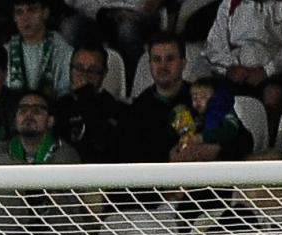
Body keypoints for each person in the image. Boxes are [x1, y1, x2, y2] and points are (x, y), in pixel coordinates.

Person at [124, 33, 192, 163]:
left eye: (170, 59)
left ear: (183, 63)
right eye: (157, 59)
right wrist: (167, 159)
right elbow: (130, 158)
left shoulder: (205, 98)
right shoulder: (137, 110)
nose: (163, 66)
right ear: (150, 64)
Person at [54, 44, 126, 163]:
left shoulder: (116, 109)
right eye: (78, 68)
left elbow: (104, 145)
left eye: (92, 70)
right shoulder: (60, 105)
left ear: (104, 73)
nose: (84, 75)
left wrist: (86, 97)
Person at [168, 76, 254, 162]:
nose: (198, 101)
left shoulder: (223, 111)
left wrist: (201, 138)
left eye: (203, 97)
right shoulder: (189, 112)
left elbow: (230, 131)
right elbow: (177, 129)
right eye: (195, 97)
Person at [0, 90, 80, 164]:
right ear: (15, 120)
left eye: (36, 111)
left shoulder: (66, 154)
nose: (28, 115)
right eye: (23, 110)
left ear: (50, 121)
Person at [4, 0, 73, 99]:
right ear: (14, 18)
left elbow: (65, 91)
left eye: (32, 10)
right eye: (19, 12)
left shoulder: (62, 48)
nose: (25, 18)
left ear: (45, 13)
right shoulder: (6, 51)